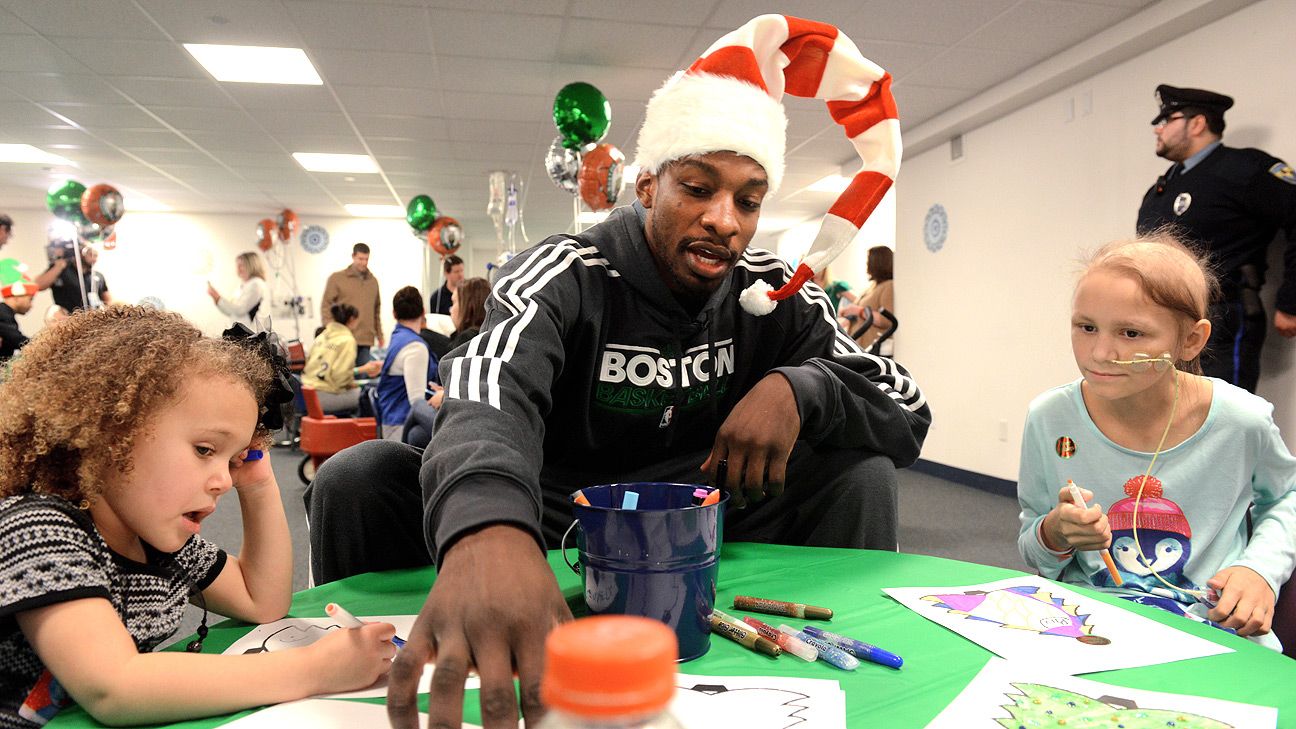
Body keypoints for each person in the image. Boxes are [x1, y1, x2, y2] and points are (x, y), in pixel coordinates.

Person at [307, 15, 925, 728]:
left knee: (864, 471)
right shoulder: (566, 269)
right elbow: (485, 384)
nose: (726, 219)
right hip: (556, 515)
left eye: (748, 200)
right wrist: (488, 526)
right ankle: (355, 680)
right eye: (698, 187)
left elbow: (905, 402)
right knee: (356, 478)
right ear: (647, 185)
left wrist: (800, 387)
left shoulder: (774, 290)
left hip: (710, 516)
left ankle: (840, 686)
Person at [0, 306, 395, 727]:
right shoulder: (37, 528)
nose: (224, 480)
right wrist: (313, 670)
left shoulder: (156, 539)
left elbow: (262, 601)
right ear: (110, 432)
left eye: (235, 457)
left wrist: (258, 483)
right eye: (205, 450)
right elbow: (114, 685)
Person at [1017, 234, 1296, 652]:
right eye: (1086, 327)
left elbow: (1286, 497)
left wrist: (1259, 570)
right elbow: (1034, 549)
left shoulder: (1242, 420)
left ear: (1191, 340)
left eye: (1131, 333)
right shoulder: (1049, 417)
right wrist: (1056, 533)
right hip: (1089, 627)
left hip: (1210, 626)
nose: (1101, 352)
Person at [1135, 84, 1296, 393]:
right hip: (1163, 321)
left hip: (1221, 318)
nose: (1158, 129)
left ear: (1197, 123)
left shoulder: (1245, 169)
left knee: (1219, 423)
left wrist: (1291, 301)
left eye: (1167, 119)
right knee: (1167, 422)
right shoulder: (1162, 188)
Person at [405, 277, 491, 448]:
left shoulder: (467, 341)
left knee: (417, 405)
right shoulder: (485, 338)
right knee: (417, 435)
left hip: (464, 423)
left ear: (468, 305)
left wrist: (444, 395)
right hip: (473, 421)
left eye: (454, 303)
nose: (451, 310)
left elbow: (472, 392)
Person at [375, 287, 436, 440]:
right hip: (402, 427)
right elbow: (416, 401)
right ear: (423, 312)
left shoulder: (398, 337)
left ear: (394, 314)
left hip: (392, 420)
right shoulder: (415, 347)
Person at [302, 303, 381, 415]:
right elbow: (340, 379)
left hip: (307, 394)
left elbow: (321, 369)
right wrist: (356, 384)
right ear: (352, 319)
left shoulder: (321, 337)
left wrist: (361, 370)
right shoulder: (347, 340)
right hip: (326, 396)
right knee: (370, 395)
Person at [320, 243, 382, 365]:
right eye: (360, 259)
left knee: (363, 377)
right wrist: (331, 329)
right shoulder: (337, 278)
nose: (363, 263)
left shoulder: (373, 281)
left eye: (366, 259)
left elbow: (376, 310)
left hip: (365, 339)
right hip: (342, 338)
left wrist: (380, 335)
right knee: (342, 376)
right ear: (353, 256)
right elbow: (326, 306)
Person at [839, 246, 895, 352]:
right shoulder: (872, 287)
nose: (866, 264)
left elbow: (886, 320)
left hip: (872, 348)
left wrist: (858, 311)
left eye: (868, 260)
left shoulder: (888, 286)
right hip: (858, 346)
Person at [35, 243, 110, 314]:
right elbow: (38, 285)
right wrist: (59, 266)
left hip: (94, 321)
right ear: (81, 253)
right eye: (90, 254)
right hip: (69, 322)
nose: (94, 259)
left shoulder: (98, 276)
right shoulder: (62, 271)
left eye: (96, 256)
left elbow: (108, 300)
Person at [207, 252, 270, 331]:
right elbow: (231, 312)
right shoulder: (243, 286)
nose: (238, 269)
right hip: (240, 332)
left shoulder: (256, 284)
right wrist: (216, 299)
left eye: (241, 265)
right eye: (237, 265)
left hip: (249, 333)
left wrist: (218, 297)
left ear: (251, 266)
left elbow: (240, 310)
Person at [0, 265, 34, 360]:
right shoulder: (3, 314)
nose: (31, 305)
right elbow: (17, 340)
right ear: (17, 297)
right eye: (30, 299)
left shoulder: (5, 313)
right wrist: (45, 344)